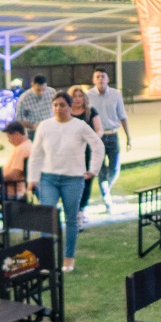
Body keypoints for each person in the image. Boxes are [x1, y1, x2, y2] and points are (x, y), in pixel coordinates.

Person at [28, 92, 104, 273]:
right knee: (47, 218)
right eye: (55, 105)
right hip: (48, 178)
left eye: (62, 105)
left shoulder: (80, 126)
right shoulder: (45, 126)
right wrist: (32, 179)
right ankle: (45, 260)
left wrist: (93, 170)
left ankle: (68, 259)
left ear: (70, 107)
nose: (58, 108)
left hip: (73, 179)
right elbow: (36, 153)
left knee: (71, 219)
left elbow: (97, 146)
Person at [87, 69, 132, 211]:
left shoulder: (115, 94)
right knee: (101, 170)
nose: (100, 79)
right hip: (97, 137)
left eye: (103, 76)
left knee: (114, 169)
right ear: (94, 80)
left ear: (108, 79)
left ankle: (107, 186)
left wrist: (129, 137)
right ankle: (107, 199)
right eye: (97, 77)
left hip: (113, 135)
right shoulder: (88, 96)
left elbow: (122, 116)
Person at [68, 85, 103, 225]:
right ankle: (75, 210)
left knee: (87, 180)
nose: (77, 99)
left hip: (88, 150)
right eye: (74, 97)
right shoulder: (67, 112)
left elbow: (99, 129)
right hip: (72, 152)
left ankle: (81, 209)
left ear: (84, 98)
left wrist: (92, 139)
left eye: (80, 96)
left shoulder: (90, 112)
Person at [15, 75, 55, 139]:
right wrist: (33, 126)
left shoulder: (52, 92)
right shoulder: (23, 99)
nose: (41, 93)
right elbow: (19, 119)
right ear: (32, 85)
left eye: (43, 89)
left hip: (51, 129)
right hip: (34, 132)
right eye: (38, 90)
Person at [0, 121, 32, 199]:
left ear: (17, 134)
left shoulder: (22, 149)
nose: (8, 140)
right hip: (17, 190)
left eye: (9, 137)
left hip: (13, 192)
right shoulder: (28, 144)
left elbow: (14, 175)